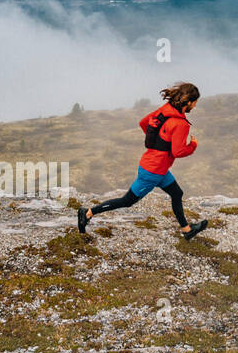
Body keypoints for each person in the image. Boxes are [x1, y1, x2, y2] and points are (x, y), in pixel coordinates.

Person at [78, 82, 209, 239]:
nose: (194, 106)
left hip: (157, 167)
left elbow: (143, 123)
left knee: (176, 193)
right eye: (195, 103)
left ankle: (187, 230)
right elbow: (178, 151)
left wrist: (157, 142)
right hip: (153, 172)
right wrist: (193, 145)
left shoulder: (164, 111)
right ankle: (88, 213)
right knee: (127, 201)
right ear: (188, 102)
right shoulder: (180, 124)